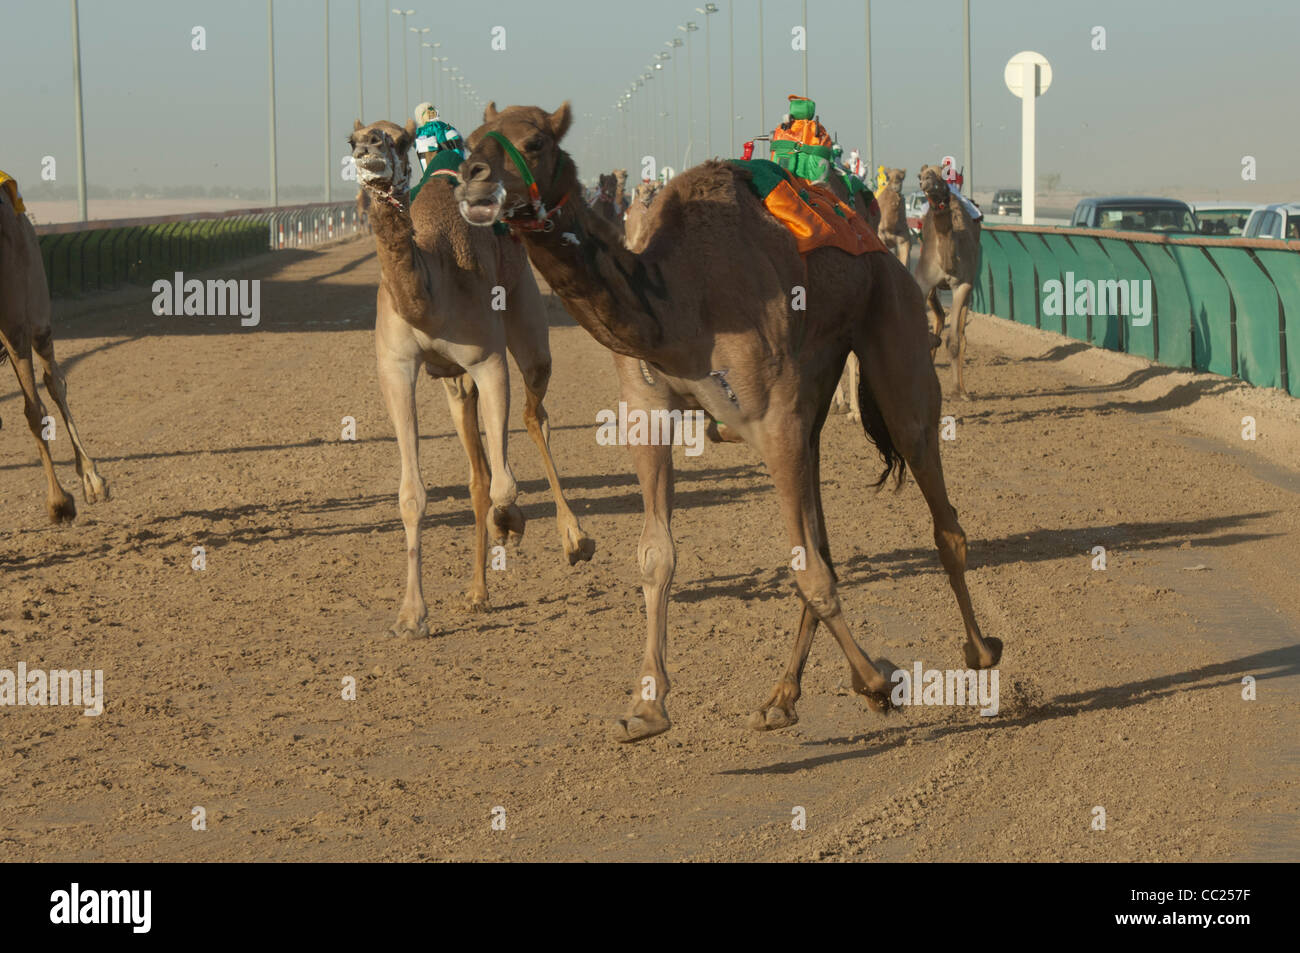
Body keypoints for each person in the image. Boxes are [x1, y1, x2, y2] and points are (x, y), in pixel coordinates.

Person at [412, 102, 465, 170]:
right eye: (428, 112)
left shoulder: (420, 132)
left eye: (432, 110)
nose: (432, 113)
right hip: (455, 165)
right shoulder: (445, 126)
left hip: (432, 169)